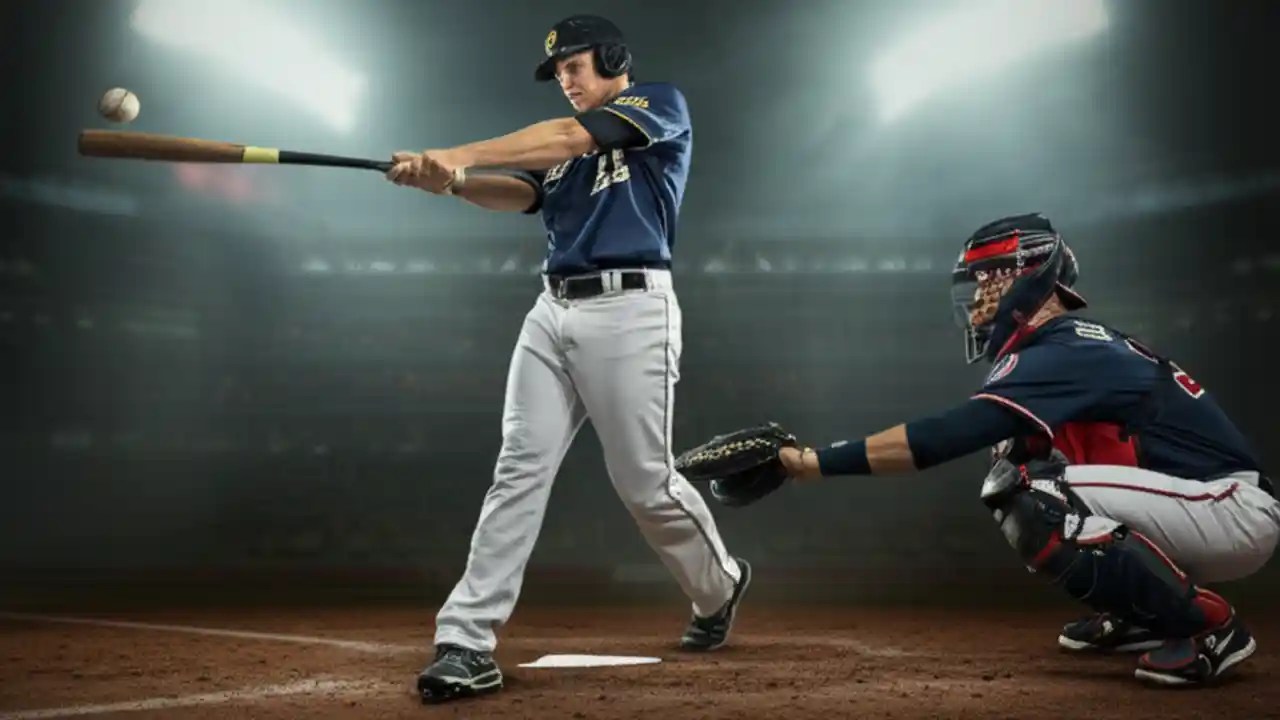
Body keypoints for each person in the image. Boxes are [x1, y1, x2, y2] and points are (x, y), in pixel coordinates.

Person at [733, 213, 1277, 686]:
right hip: (1195, 502)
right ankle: (1143, 612)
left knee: (1032, 496)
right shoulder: (1066, 348)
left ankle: (1209, 627)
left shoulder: (1064, 345)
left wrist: (811, 462)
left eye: (982, 283)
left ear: (1024, 274)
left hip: (1229, 506)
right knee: (1016, 465)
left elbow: (940, 438)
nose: (973, 303)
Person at [384, 14, 750, 704]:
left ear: (614, 57)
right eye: (558, 72)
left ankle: (719, 586)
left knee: (644, 482)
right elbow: (526, 193)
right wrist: (452, 180)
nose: (565, 80)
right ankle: (465, 639)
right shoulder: (568, 148)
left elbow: (564, 139)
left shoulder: (657, 105)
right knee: (519, 465)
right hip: (553, 308)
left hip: (631, 307)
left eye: (575, 65)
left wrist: (451, 151)